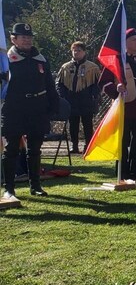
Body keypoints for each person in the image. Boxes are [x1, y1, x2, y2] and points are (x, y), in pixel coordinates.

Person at [2, 23, 60, 199]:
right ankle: (9, 188)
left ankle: (35, 185)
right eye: (23, 37)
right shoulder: (6, 60)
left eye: (29, 37)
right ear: (14, 39)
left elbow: (49, 84)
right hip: (14, 108)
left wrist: (53, 106)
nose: (27, 40)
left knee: (34, 149)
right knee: (11, 149)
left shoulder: (40, 58)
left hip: (37, 108)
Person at [99, 28, 136, 182]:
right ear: (125, 43)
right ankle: (123, 174)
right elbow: (104, 82)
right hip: (124, 109)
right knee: (123, 142)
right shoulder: (117, 59)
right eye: (134, 40)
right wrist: (115, 89)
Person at [56, 41, 102, 154]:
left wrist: (93, 94)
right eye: (74, 50)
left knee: (87, 123)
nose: (76, 52)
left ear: (84, 52)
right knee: (73, 124)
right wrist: (63, 96)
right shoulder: (65, 67)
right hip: (71, 99)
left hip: (86, 99)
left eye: (79, 50)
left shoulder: (92, 67)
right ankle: (74, 145)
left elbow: (99, 83)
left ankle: (88, 145)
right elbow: (59, 83)